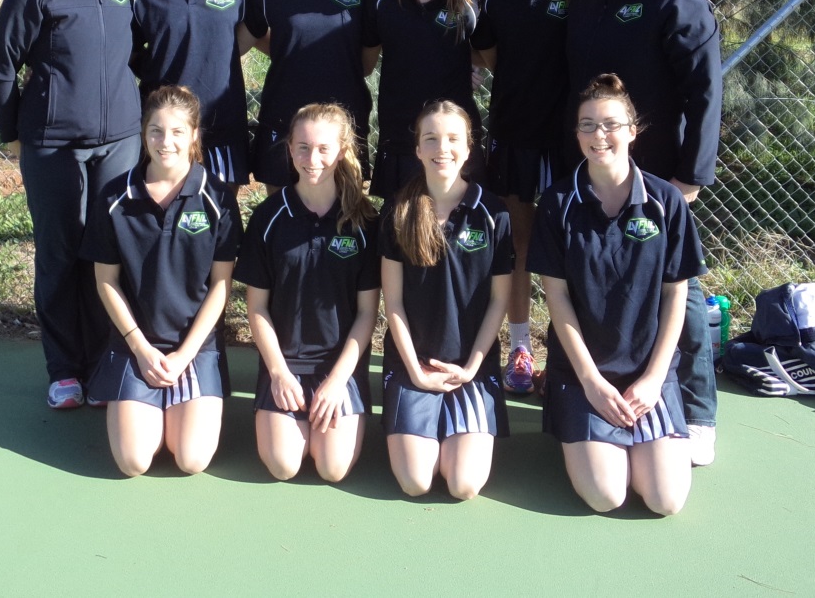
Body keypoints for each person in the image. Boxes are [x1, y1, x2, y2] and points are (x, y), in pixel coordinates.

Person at [565, 0, 723, 467]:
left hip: (659, 176)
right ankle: (592, 392)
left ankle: (699, 412)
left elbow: (706, 93)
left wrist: (690, 178)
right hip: (594, 173)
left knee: (680, 289)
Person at [0, 0, 146, 410]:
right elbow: (0, 66)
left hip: (119, 143)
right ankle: (64, 370)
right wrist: (13, 135)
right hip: (52, 145)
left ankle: (103, 365)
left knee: (105, 254)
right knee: (59, 253)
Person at [529, 74, 705, 515]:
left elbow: (675, 298)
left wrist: (653, 379)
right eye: (587, 125)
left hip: (648, 376)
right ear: (576, 134)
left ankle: (642, 427)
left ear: (632, 130)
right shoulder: (556, 203)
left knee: (665, 500)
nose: (598, 135)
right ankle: (578, 426)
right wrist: (590, 381)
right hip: (583, 376)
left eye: (610, 124)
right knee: (606, 496)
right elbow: (558, 300)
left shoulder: (666, 202)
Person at [83, 86, 240, 476]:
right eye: (155, 130)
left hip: (195, 348)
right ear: (142, 133)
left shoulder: (218, 199)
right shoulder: (114, 197)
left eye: (176, 132)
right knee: (134, 461)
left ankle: (181, 400)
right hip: (136, 345)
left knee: (191, 459)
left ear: (194, 136)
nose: (165, 142)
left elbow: (221, 286)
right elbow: (106, 281)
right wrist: (140, 347)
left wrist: (185, 355)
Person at [470, 0, 580, 394]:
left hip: (566, 143)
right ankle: (519, 349)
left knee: (567, 247)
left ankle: (568, 353)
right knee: (516, 246)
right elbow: (488, 60)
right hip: (513, 137)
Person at [236, 103, 380, 482]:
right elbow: (257, 309)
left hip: (339, 369)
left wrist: (337, 381)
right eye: (302, 147)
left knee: (332, 469)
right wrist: (278, 373)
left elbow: (367, 313)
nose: (311, 158)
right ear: (289, 149)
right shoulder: (268, 218)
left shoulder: (363, 221)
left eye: (323, 148)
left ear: (343, 151)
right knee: (284, 466)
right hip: (284, 365)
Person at [379, 101, 512, 500]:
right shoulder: (397, 212)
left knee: (463, 484)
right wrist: (415, 372)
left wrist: (472, 365)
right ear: (417, 149)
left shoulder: (494, 213)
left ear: (469, 148)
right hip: (412, 366)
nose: (443, 148)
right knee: (415, 482)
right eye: (431, 138)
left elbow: (498, 301)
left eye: (454, 138)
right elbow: (394, 305)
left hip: (470, 366)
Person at [245, 0, 383, 191]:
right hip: (283, 118)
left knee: (344, 222)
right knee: (282, 219)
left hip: (344, 121)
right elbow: (249, 35)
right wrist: (288, 52)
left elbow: (369, 57)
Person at [128, 0, 255, 189]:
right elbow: (126, 53)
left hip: (222, 126)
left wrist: (216, 53)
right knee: (164, 218)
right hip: (166, 132)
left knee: (220, 221)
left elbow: (251, 31)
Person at [362, 0, 482, 199]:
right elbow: (366, 63)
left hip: (453, 145)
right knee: (400, 237)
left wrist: (467, 65)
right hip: (400, 141)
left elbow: (489, 56)